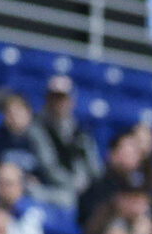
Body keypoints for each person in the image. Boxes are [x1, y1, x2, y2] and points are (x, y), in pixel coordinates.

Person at [25, 75, 102, 208]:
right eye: (54, 97)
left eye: (62, 98)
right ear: (47, 98)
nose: (58, 103)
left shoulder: (81, 131)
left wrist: (90, 186)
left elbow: (95, 168)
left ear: (71, 101)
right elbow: (48, 167)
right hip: (53, 188)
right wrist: (75, 184)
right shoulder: (37, 127)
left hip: (81, 190)